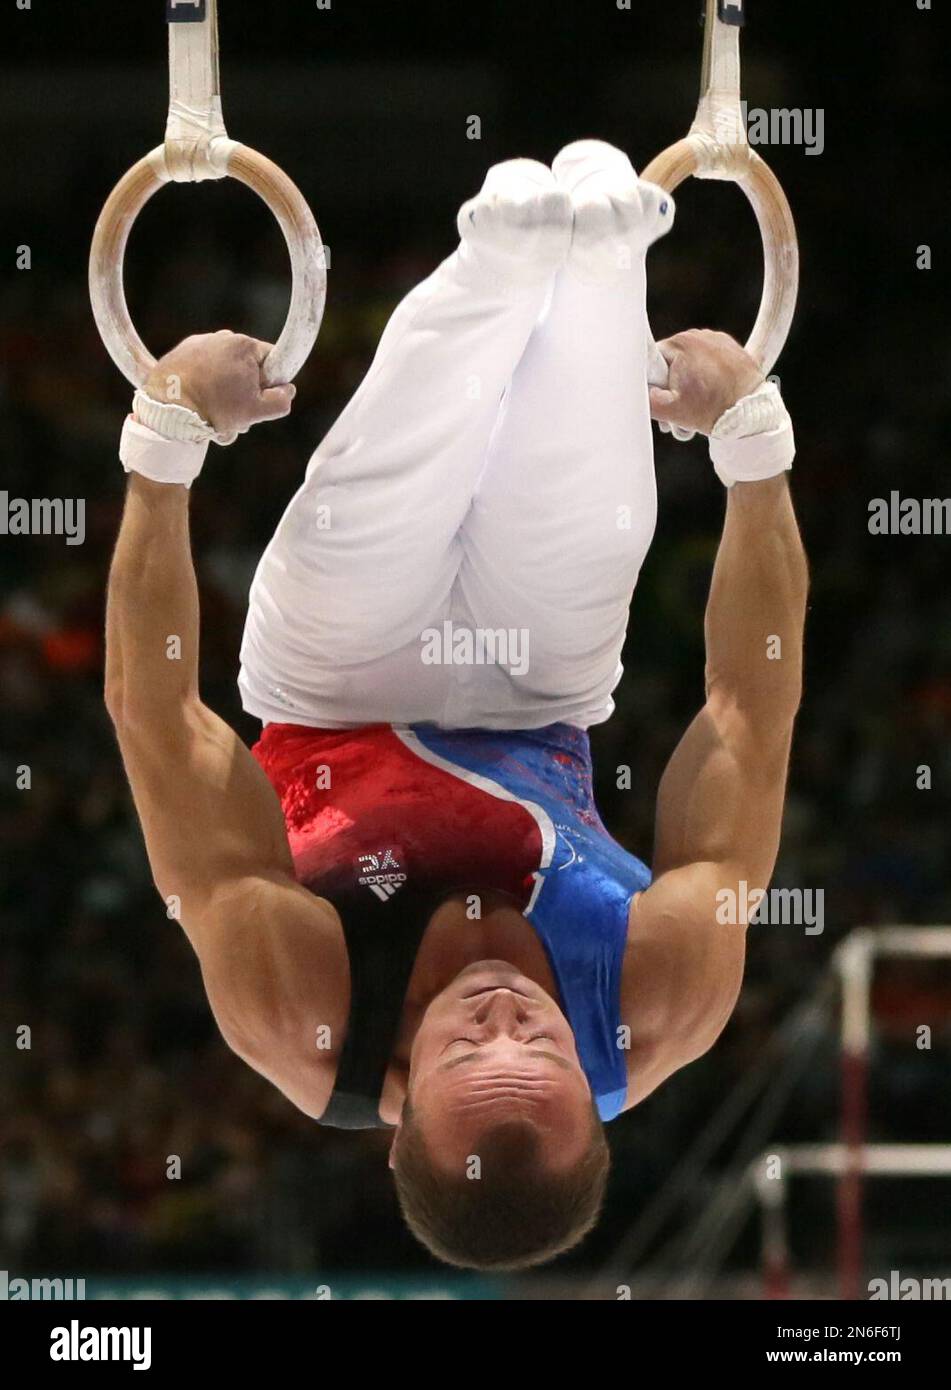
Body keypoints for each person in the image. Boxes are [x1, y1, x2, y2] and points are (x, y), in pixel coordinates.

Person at [104, 141, 807, 1270]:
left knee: (440, 382)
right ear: (595, 1077)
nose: (503, 1012)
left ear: (398, 1118)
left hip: (335, 680)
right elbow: (745, 712)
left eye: (467, 1047)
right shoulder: (660, 994)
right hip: (541, 684)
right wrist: (751, 440)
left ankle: (505, 252)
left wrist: (170, 432)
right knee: (595, 241)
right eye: (539, 1038)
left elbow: (156, 715)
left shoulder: (300, 1010)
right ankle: (602, 250)